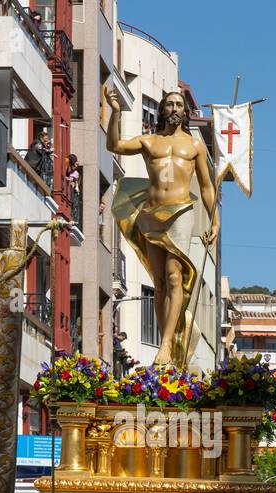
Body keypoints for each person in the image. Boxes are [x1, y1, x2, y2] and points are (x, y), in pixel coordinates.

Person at [105, 85, 218, 366]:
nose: (174, 109)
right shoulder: (149, 141)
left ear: (185, 111)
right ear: (162, 110)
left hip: (181, 212)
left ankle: (166, 345)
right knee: (159, 284)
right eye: (169, 104)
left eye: (179, 104)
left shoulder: (193, 146)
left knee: (174, 275)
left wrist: (214, 221)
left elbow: (206, 186)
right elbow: (114, 146)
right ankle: (164, 341)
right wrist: (115, 113)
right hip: (151, 213)